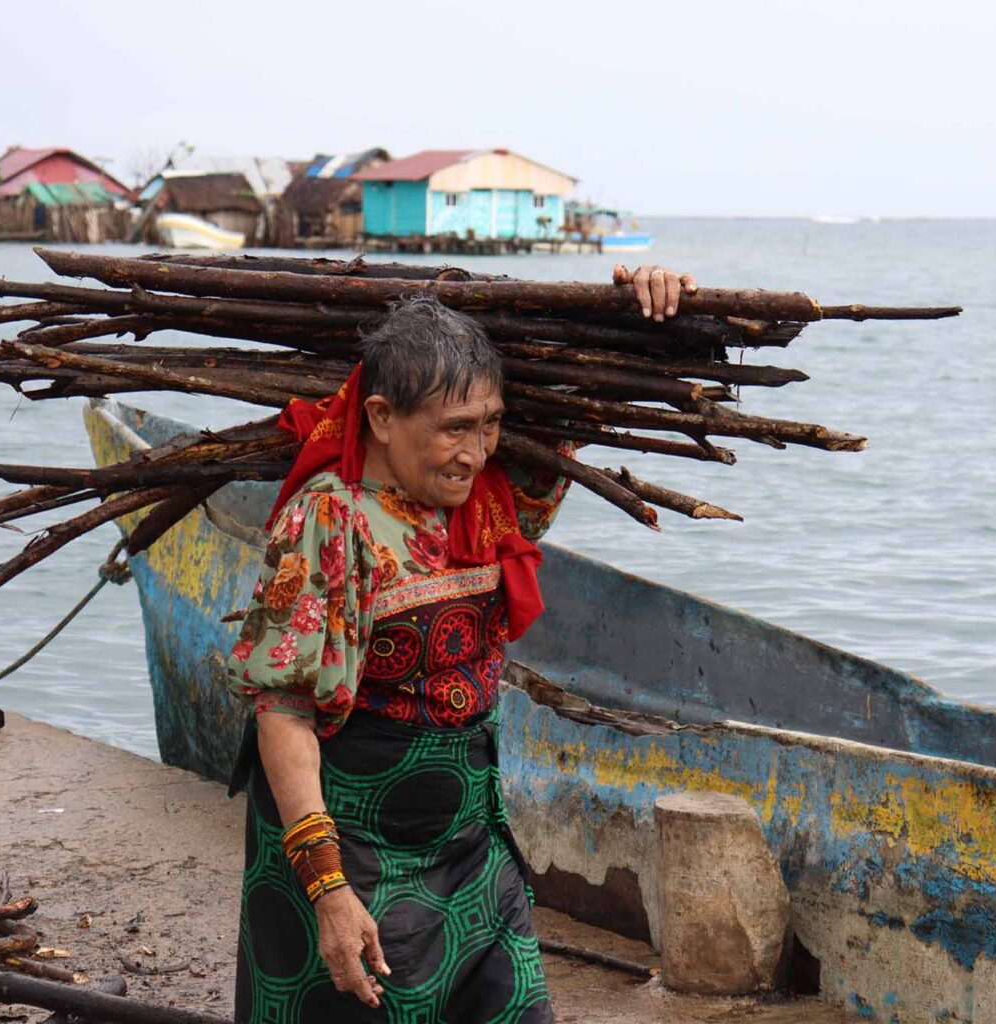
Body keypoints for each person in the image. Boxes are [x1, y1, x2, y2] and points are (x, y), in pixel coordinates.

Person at [225, 264, 697, 1023]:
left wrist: (646, 306)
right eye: (454, 429)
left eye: (490, 425)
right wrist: (330, 891)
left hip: (473, 852)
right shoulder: (331, 520)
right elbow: (283, 709)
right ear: (380, 416)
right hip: (360, 856)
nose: (475, 452)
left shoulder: (484, 502)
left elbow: (588, 402)